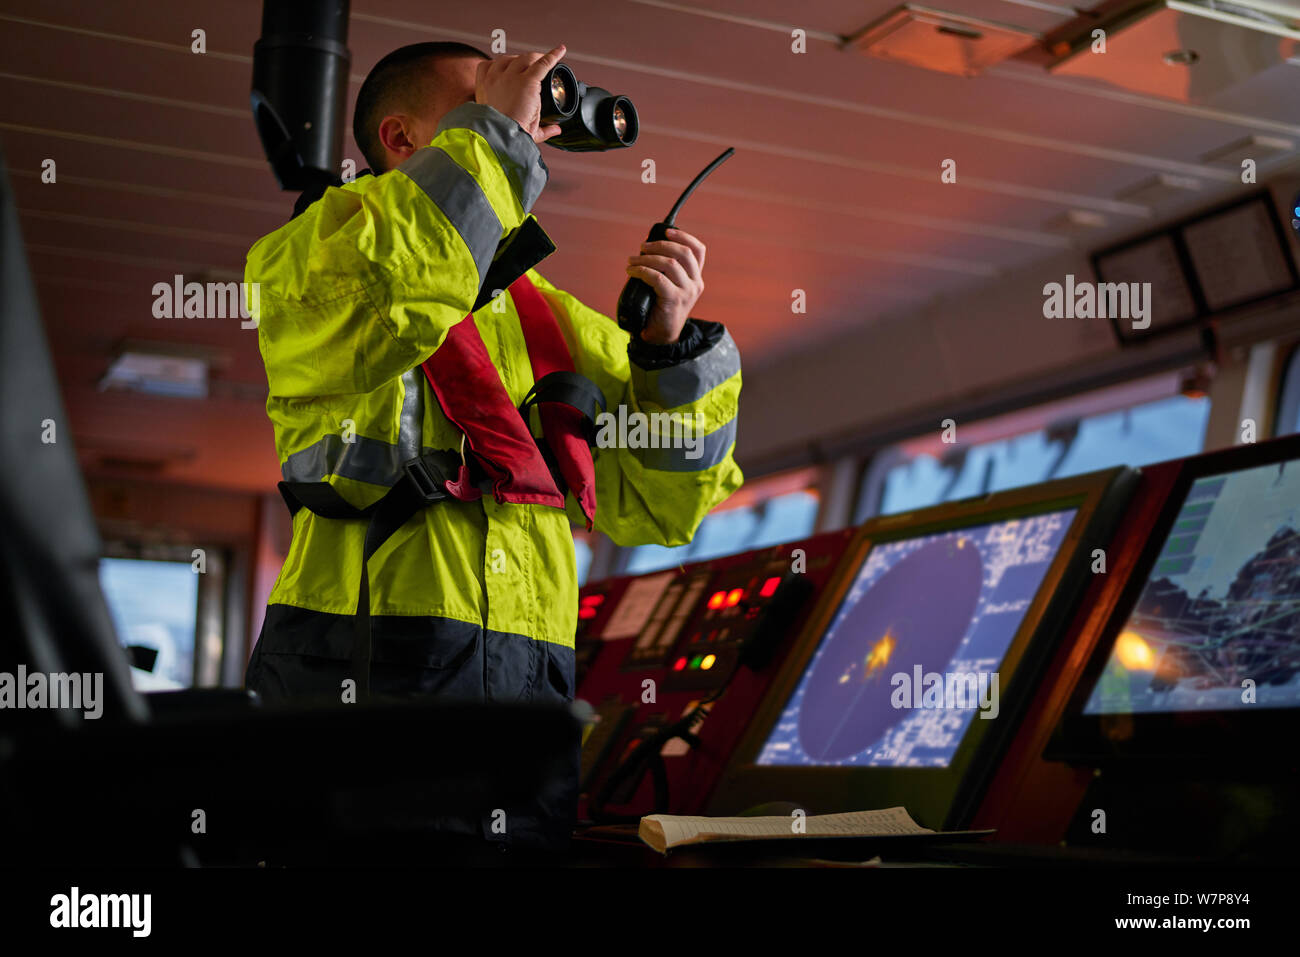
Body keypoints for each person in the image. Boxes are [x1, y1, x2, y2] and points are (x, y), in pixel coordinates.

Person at [243, 40, 743, 849]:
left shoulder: (549, 320)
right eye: (487, 98)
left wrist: (669, 351)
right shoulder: (314, 256)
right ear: (403, 141)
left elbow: (661, 505)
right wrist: (497, 139)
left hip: (528, 698)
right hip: (358, 677)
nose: (523, 113)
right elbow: (400, 285)